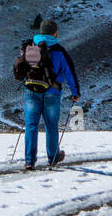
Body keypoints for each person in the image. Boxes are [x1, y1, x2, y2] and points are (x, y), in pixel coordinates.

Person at [14, 19, 80, 171]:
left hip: (31, 91)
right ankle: (53, 157)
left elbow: (23, 68)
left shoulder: (29, 47)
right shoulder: (59, 50)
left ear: (40, 32)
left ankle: (29, 161)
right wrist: (76, 93)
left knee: (31, 126)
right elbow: (70, 73)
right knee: (51, 126)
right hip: (52, 93)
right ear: (55, 33)